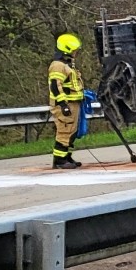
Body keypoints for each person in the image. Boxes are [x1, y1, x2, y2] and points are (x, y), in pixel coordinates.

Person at [49, 33, 85, 169]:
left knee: (72, 131)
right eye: (74, 50)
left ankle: (67, 157)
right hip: (64, 105)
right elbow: (55, 86)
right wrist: (63, 104)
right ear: (67, 49)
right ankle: (59, 160)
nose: (76, 52)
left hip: (73, 103)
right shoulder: (58, 65)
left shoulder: (67, 64)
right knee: (64, 132)